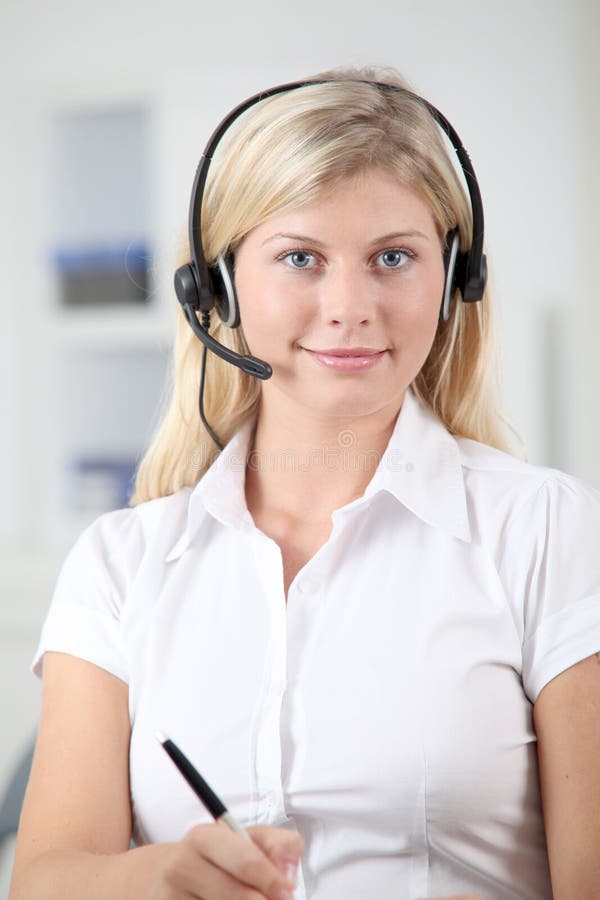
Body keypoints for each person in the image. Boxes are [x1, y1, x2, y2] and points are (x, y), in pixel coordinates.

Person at [9, 66, 600, 900]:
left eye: (394, 257)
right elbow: (44, 880)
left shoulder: (547, 532)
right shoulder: (120, 564)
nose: (350, 305)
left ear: (455, 280)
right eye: (300, 258)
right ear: (216, 289)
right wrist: (156, 880)